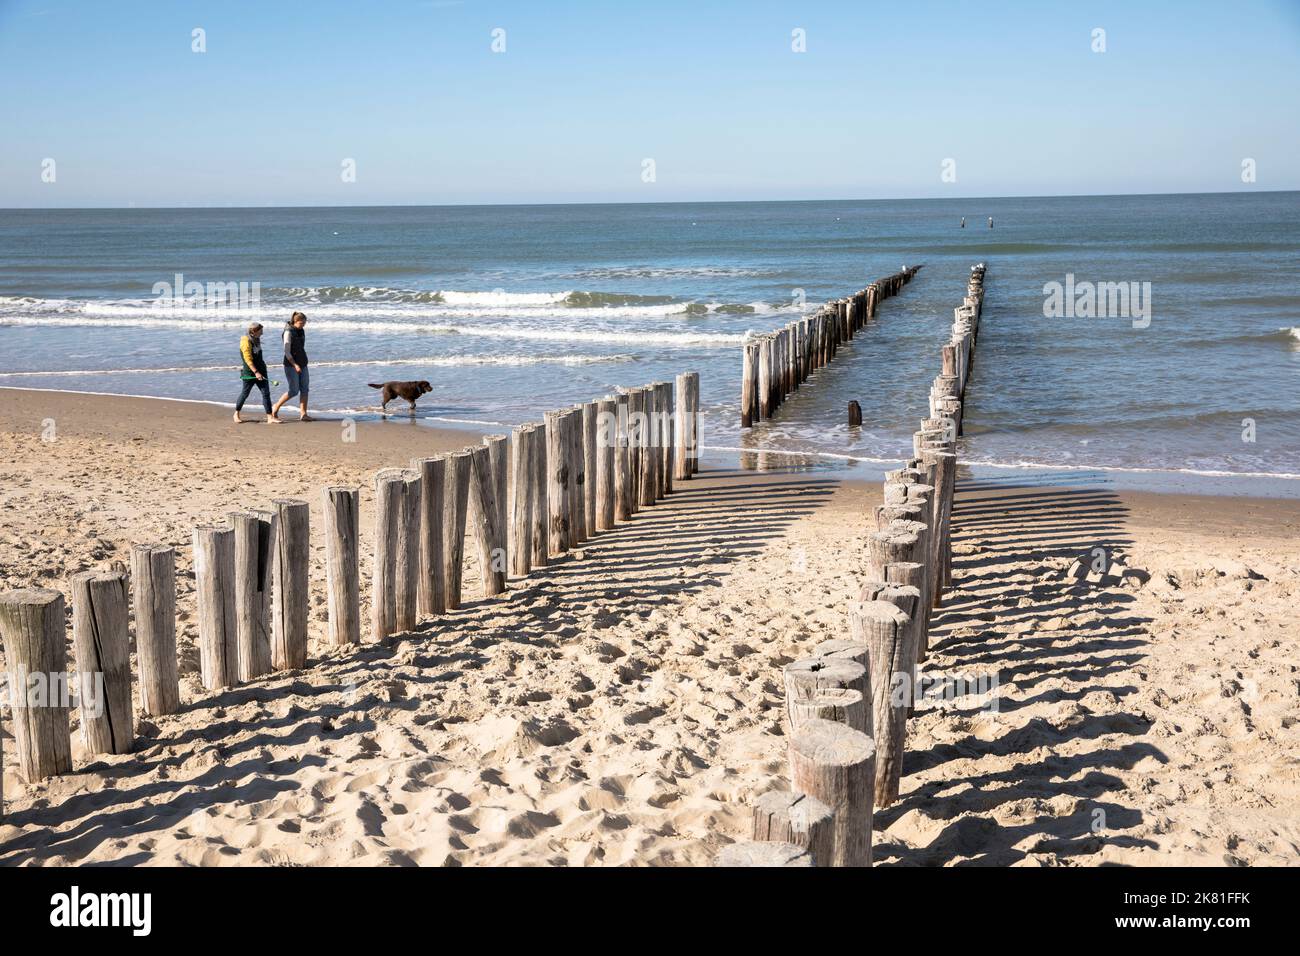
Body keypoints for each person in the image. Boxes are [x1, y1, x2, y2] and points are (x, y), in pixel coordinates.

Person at [272, 311, 312, 422]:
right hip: (290, 364)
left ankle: (303, 414)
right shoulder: (288, 332)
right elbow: (287, 352)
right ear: (295, 321)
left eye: (304, 323)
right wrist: (295, 365)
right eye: (301, 323)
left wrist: (301, 363)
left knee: (305, 389)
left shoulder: (301, 330)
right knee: (294, 390)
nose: (303, 325)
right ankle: (276, 406)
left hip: (303, 363)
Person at [234, 323, 278, 424]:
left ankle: (269, 417)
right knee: (245, 393)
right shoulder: (245, 341)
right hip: (249, 372)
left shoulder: (257, 339)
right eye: (260, 331)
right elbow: (248, 360)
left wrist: (261, 370)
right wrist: (256, 372)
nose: (262, 333)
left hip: (261, 370)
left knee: (266, 393)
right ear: (254, 331)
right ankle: (236, 413)